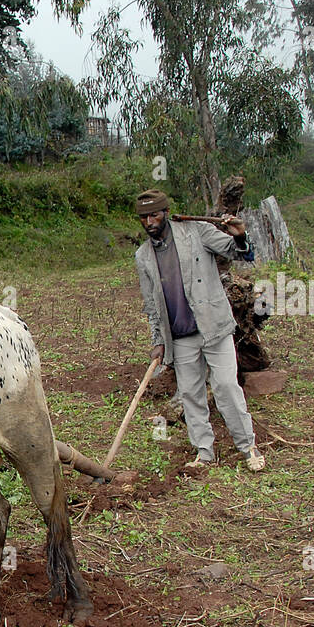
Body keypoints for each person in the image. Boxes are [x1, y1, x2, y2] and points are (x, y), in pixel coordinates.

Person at [133, 189, 266, 472]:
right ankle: (204, 452)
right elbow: (152, 306)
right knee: (191, 396)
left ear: (165, 213)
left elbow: (240, 253)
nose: (149, 222)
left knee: (227, 387)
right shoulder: (143, 256)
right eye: (143, 217)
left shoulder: (196, 232)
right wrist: (159, 341)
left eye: (154, 214)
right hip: (179, 338)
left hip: (214, 327)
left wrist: (240, 235)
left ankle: (248, 447)